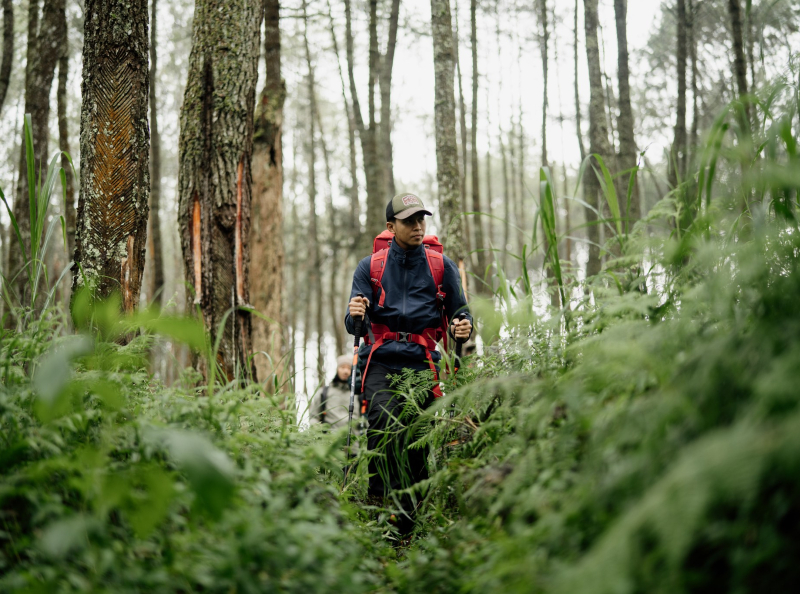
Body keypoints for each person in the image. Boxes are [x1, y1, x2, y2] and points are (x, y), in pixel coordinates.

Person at [345, 193, 473, 535]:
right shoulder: (369, 266)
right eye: (409, 221)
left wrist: (463, 324)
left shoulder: (440, 266)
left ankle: (408, 523)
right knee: (384, 426)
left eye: (421, 219)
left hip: (421, 363)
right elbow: (353, 320)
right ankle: (377, 499)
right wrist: (354, 314)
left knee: (417, 440)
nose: (417, 226)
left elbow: (459, 311)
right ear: (391, 226)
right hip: (380, 361)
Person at [310, 354, 356, 429]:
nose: (346, 371)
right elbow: (313, 417)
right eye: (342, 367)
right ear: (337, 369)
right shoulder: (324, 392)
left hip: (354, 439)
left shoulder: (356, 394)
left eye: (349, 368)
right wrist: (319, 433)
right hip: (329, 439)